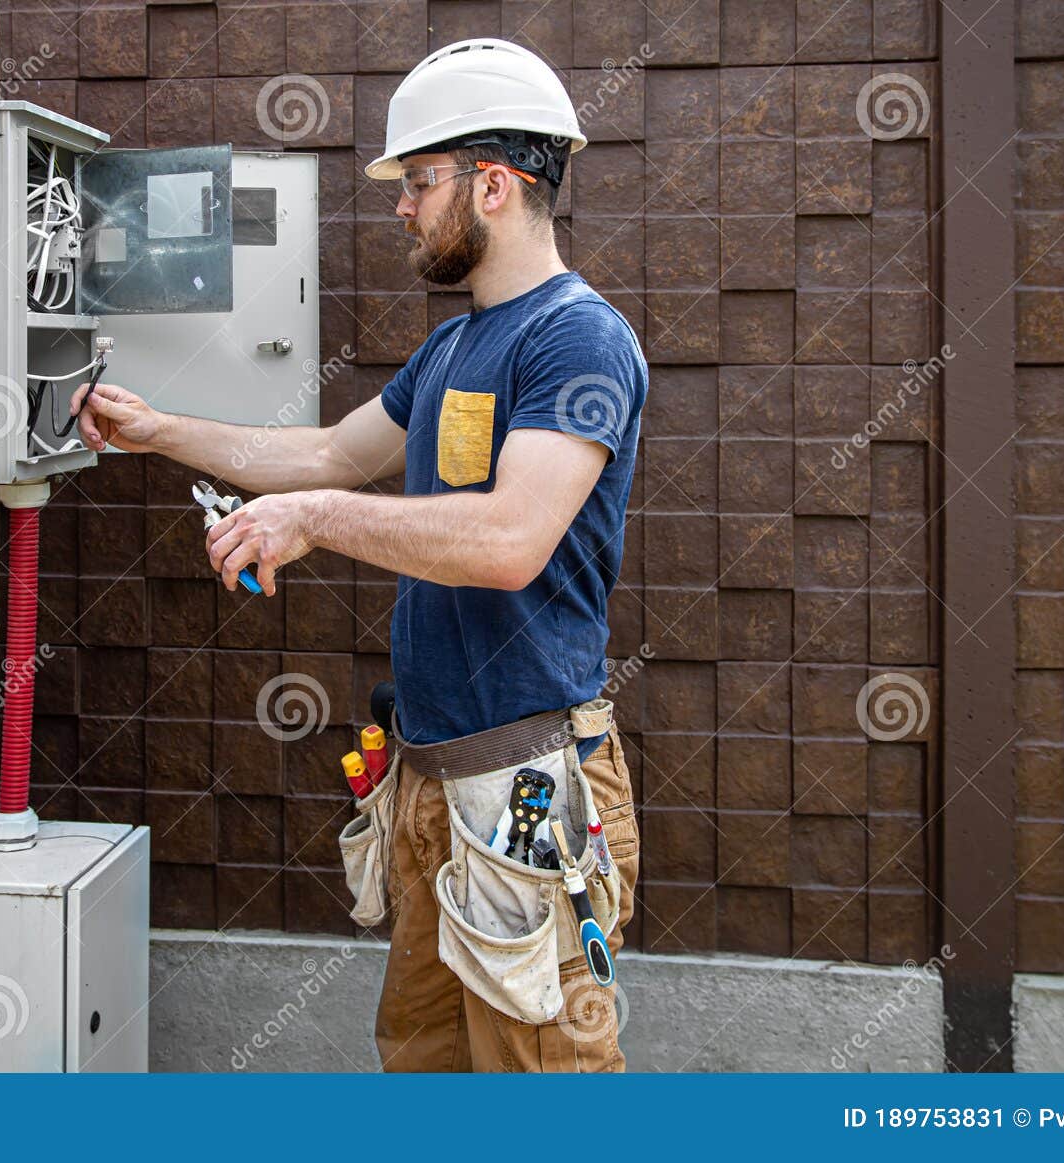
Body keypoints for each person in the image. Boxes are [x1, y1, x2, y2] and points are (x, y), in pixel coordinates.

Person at [70, 38, 648, 1072]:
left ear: (495, 183)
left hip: (525, 782)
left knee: (542, 1080)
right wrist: (158, 429)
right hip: (429, 780)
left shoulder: (577, 339)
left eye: (418, 182)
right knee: (424, 1067)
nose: (400, 207)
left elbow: (512, 539)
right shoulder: (453, 344)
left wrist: (319, 519)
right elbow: (331, 452)